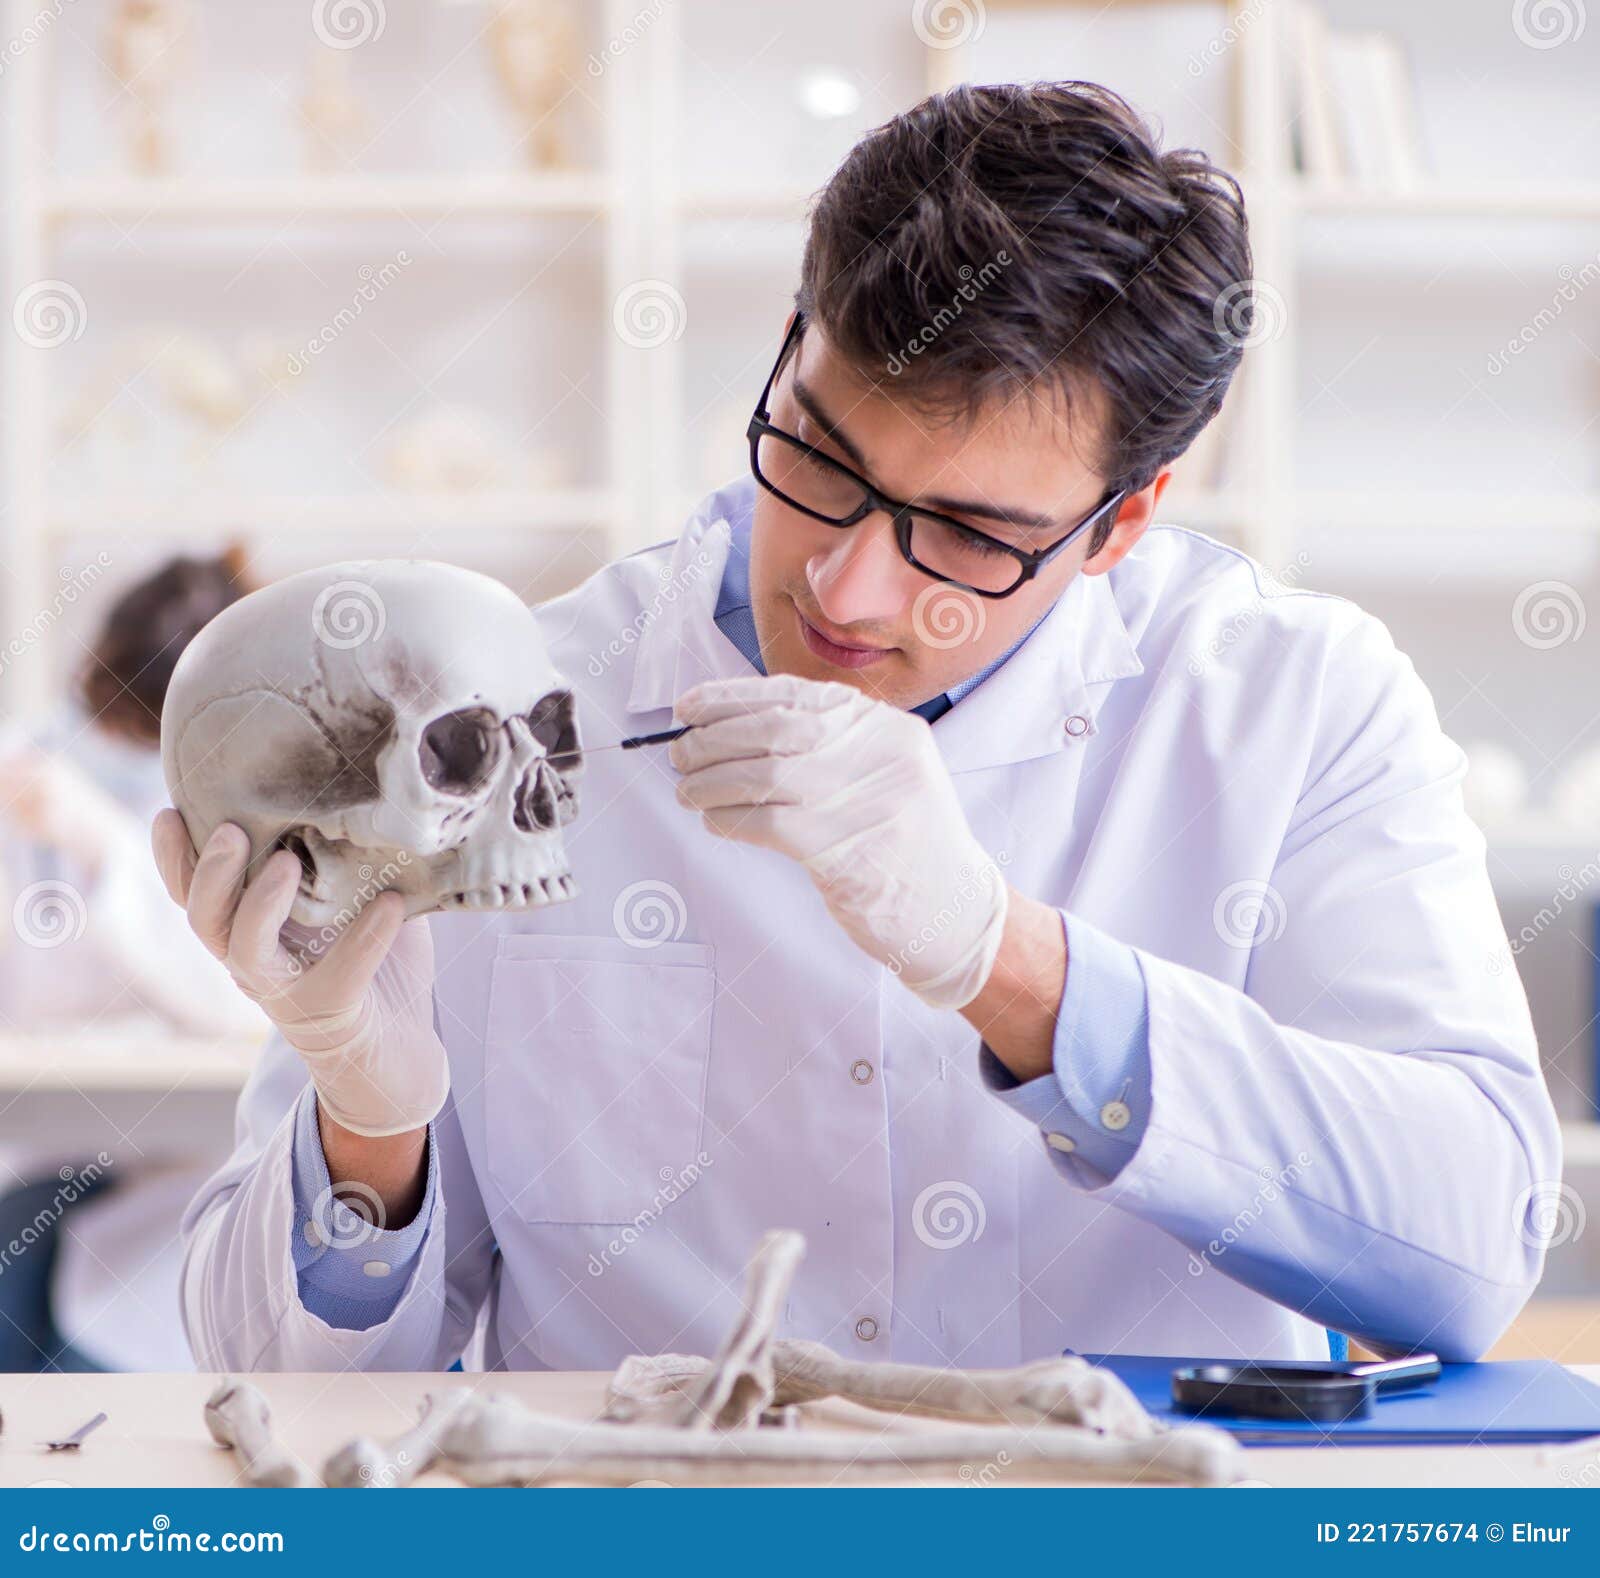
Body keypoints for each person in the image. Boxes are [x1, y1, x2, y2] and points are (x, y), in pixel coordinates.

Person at [159, 83, 1558, 1373]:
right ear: (786, 349)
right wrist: (368, 1116)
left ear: (1124, 519)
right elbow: (263, 1391)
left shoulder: (1290, 704)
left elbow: (1471, 1249)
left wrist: (1012, 964)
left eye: (966, 532)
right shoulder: (511, 710)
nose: (847, 583)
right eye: (823, 459)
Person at [0, 550, 266, 1371]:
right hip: (41, 1157)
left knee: (100, 1364)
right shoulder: (29, 767)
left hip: (193, 1175)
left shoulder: (257, 806)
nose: (122, 754)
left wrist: (105, 845)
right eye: (111, 724)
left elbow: (245, 1001)